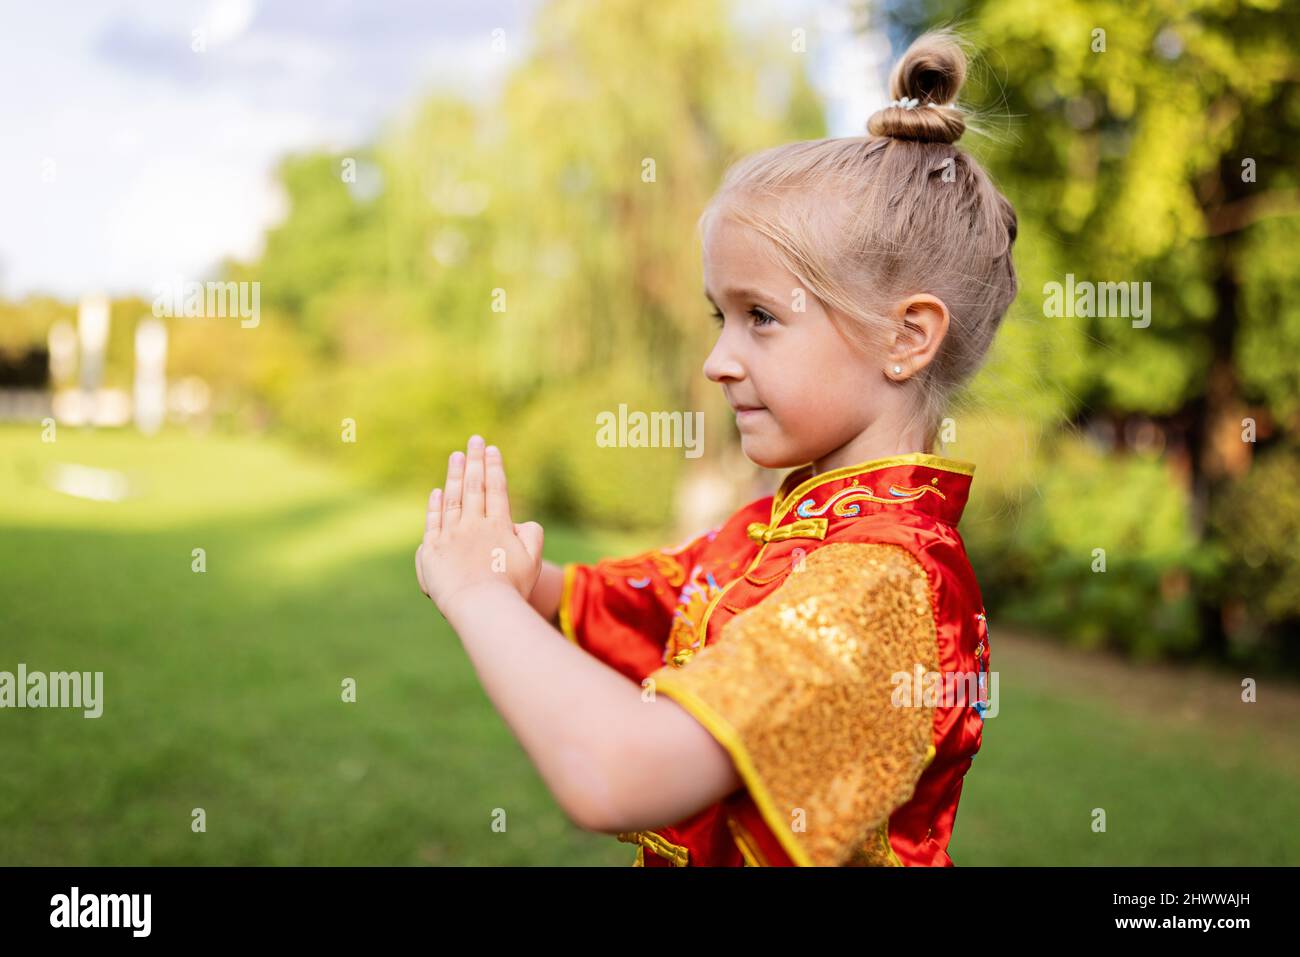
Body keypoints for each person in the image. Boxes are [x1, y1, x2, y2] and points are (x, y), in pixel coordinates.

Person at [415, 27, 1017, 866]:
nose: (717, 360)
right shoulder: (793, 533)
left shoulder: (881, 585)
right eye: (718, 316)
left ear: (906, 336)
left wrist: (477, 598)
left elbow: (617, 771)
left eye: (761, 316)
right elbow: (654, 603)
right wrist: (522, 581)